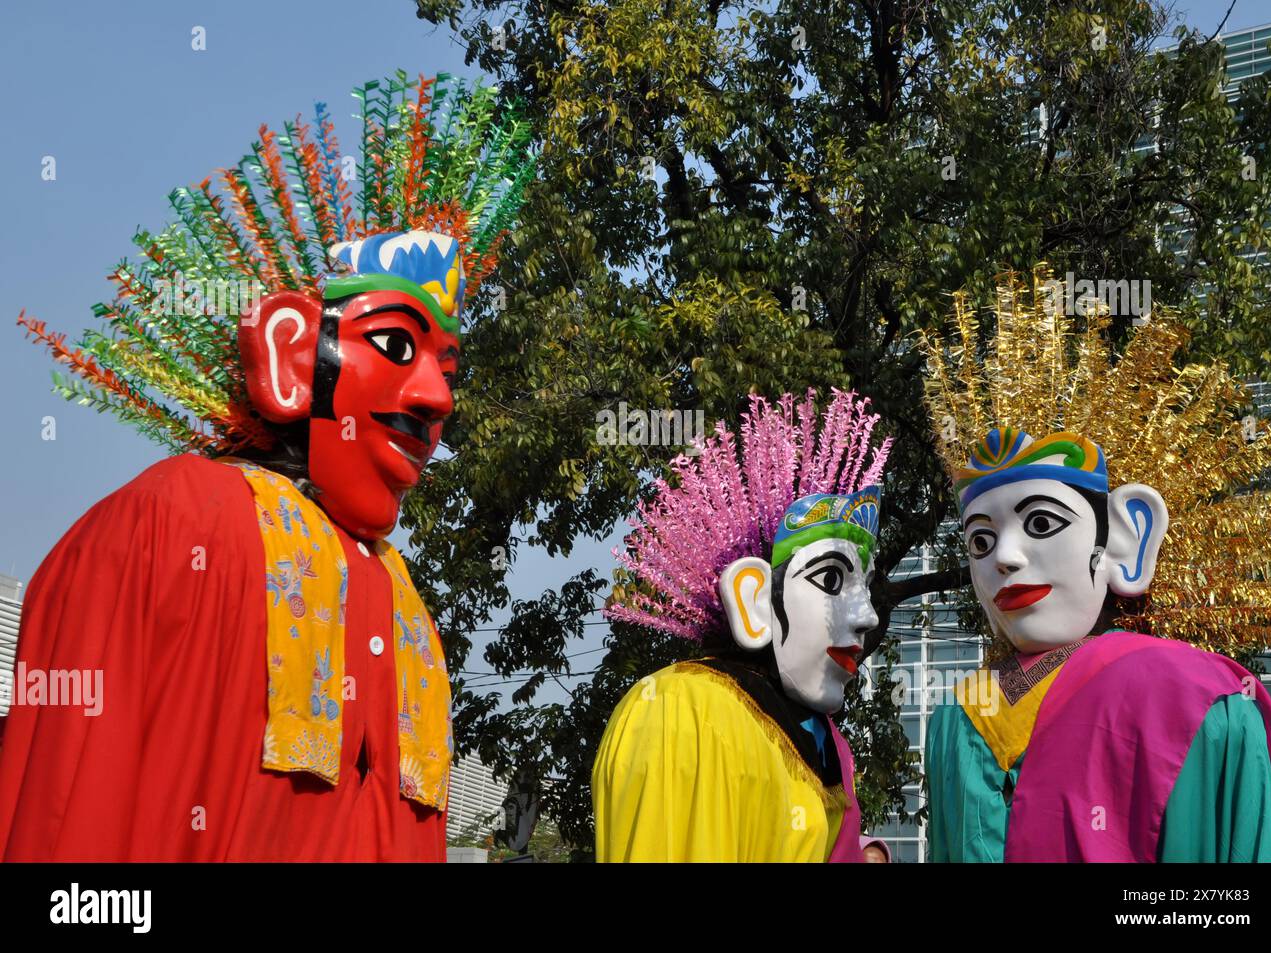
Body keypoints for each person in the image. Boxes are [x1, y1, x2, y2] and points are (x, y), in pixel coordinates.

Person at [0, 73, 534, 861]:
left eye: (448, 369)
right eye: (394, 345)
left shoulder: (409, 612)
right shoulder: (173, 520)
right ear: (288, 354)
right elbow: (68, 811)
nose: (434, 397)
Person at [919, 271, 1271, 862]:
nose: (1006, 557)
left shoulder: (1200, 702)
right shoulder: (955, 717)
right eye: (980, 541)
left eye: (1042, 523)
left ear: (1126, 539)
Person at [594, 389, 894, 861]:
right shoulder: (682, 710)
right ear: (752, 599)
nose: (867, 617)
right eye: (831, 579)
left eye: (866, 587)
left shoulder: (828, 745)